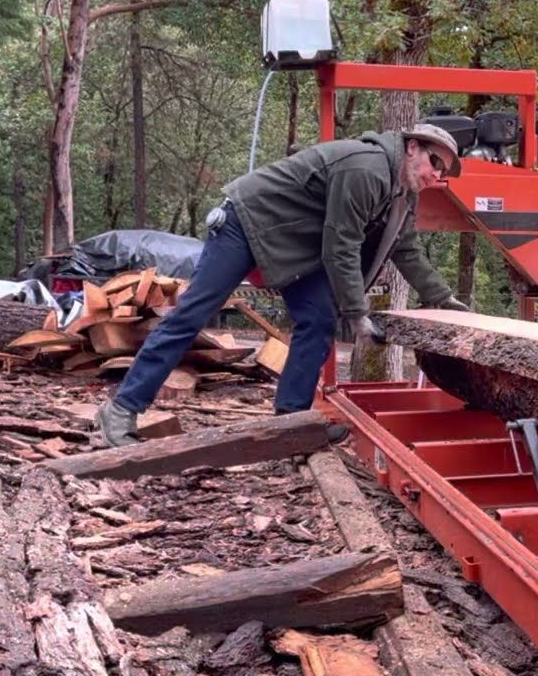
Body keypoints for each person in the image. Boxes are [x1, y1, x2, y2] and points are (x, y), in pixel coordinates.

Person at [94, 124, 469, 447]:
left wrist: (443, 298)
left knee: (318, 322)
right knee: (193, 314)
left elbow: (405, 250)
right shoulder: (367, 168)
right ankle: (121, 410)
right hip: (247, 222)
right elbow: (341, 245)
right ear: (411, 147)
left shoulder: (400, 195)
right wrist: (357, 315)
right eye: (435, 162)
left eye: (444, 172)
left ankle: (287, 423)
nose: (436, 175)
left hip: (295, 248)